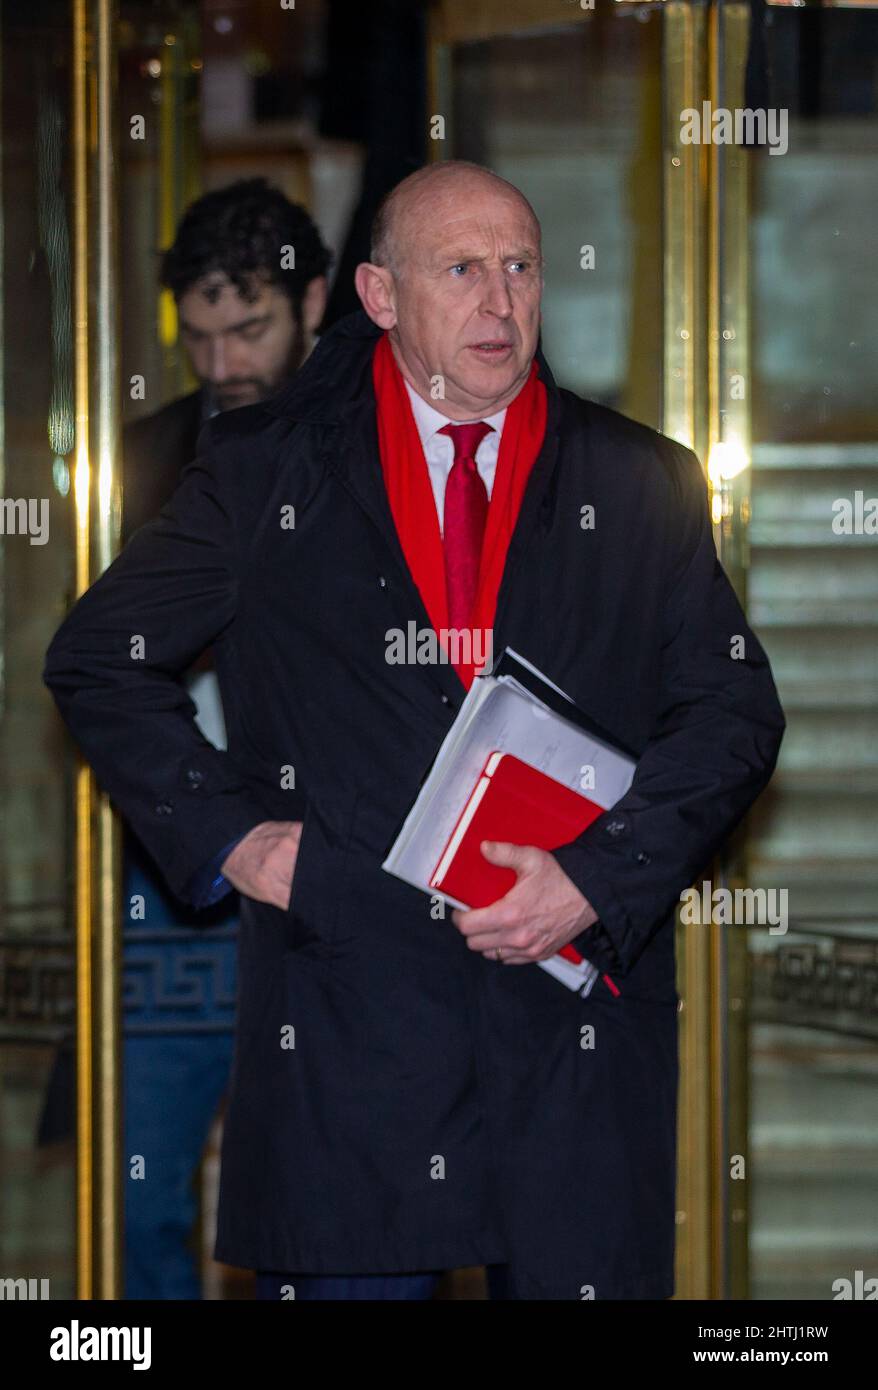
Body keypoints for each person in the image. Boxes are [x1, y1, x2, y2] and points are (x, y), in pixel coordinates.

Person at [45, 160, 785, 1301]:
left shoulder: (637, 481)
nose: (499, 301)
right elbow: (99, 658)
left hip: (570, 1026)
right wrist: (237, 839)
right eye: (461, 270)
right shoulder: (264, 471)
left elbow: (733, 710)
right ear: (381, 298)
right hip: (348, 1025)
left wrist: (595, 875)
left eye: (519, 269)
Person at [120, 178, 330, 1299]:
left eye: (246, 326)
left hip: (333, 844)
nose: (221, 360)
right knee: (137, 1187)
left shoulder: (369, 447)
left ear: (315, 303)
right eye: (197, 336)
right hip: (174, 854)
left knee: (325, 1181)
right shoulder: (139, 455)